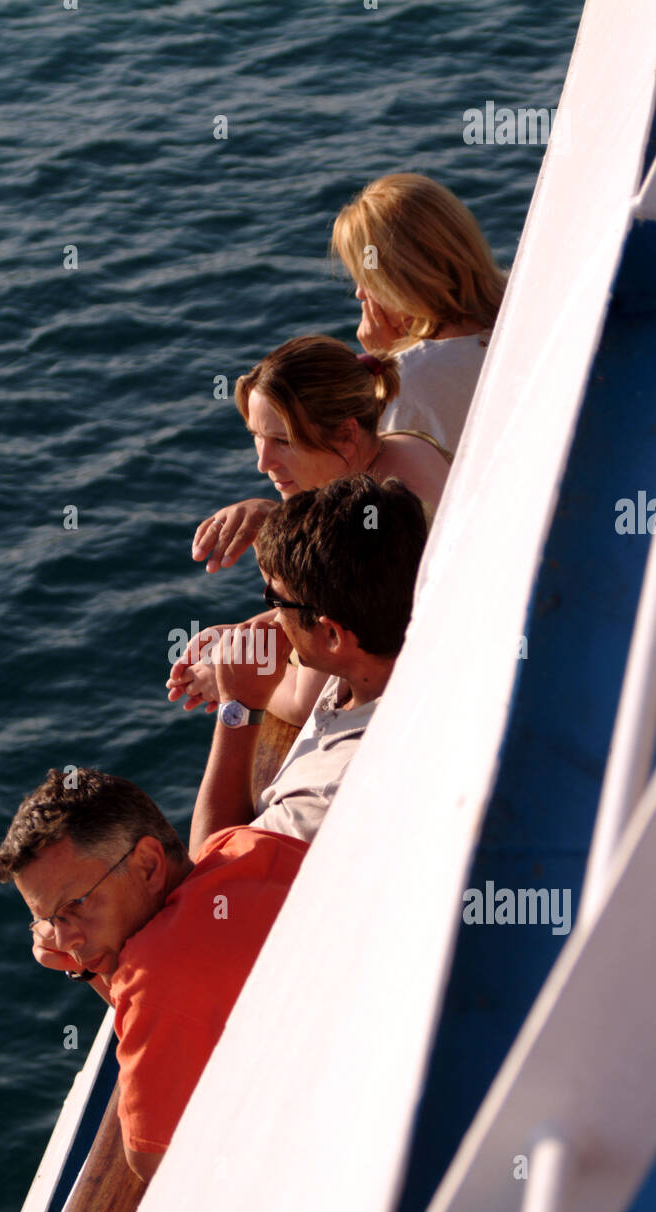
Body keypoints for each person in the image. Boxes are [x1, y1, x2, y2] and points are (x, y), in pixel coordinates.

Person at [0, 769, 307, 1182]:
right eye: (47, 921)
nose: (64, 940)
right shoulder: (240, 846)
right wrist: (92, 966)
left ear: (150, 865)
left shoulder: (154, 975)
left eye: (75, 905)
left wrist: (101, 975)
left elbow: (152, 1163)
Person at [171, 335, 445, 726]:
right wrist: (249, 634)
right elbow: (354, 611)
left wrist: (226, 680)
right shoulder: (409, 446)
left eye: (283, 441)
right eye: (256, 437)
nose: (263, 463)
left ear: (347, 435)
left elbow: (306, 701)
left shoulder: (366, 528)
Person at [189, 474, 428, 849]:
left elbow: (213, 868)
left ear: (332, 635)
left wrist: (239, 709)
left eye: (274, 599)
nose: (266, 606)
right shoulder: (403, 627)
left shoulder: (324, 796)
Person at [331, 172, 506, 455]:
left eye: (368, 279)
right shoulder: (527, 296)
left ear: (401, 282)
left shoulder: (411, 382)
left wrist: (385, 373)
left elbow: (391, 483)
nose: (360, 293)